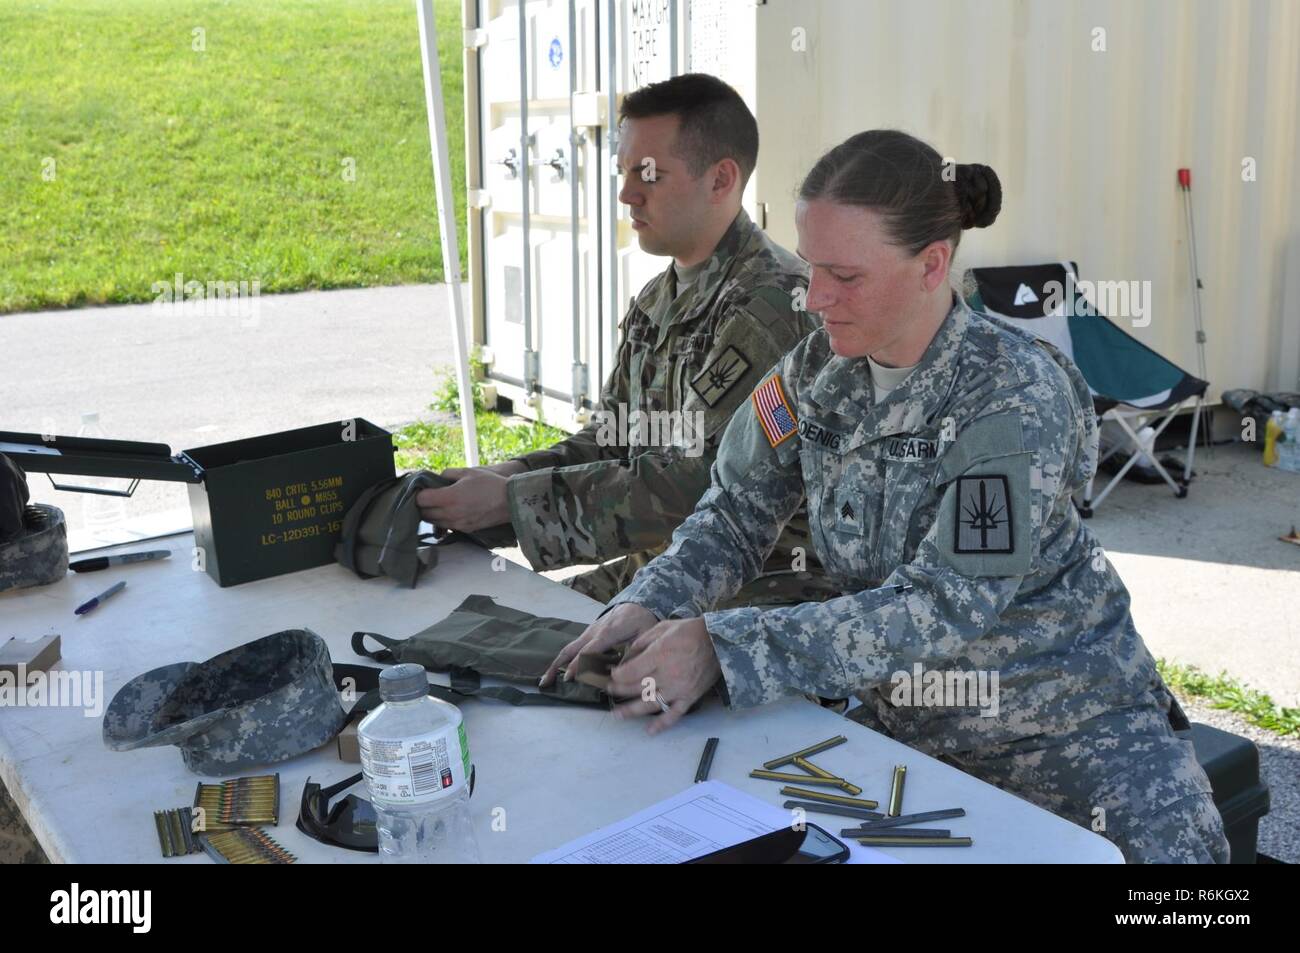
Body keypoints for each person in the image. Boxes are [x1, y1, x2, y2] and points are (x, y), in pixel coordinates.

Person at [542, 130, 1229, 864]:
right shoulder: (816, 371)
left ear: (933, 265)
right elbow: (736, 510)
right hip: (901, 732)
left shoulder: (1010, 397)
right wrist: (650, 603)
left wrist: (723, 646)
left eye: (845, 275)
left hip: (1064, 738)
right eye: (810, 268)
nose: (814, 298)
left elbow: (946, 603)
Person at [418, 73, 832, 607]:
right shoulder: (660, 298)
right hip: (660, 570)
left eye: (649, 174)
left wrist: (510, 504)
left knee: (533, 658)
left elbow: (702, 481)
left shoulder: (771, 304)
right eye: (624, 171)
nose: (626, 193)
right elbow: (614, 438)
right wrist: (508, 475)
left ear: (720, 180)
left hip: (753, 591)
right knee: (481, 625)